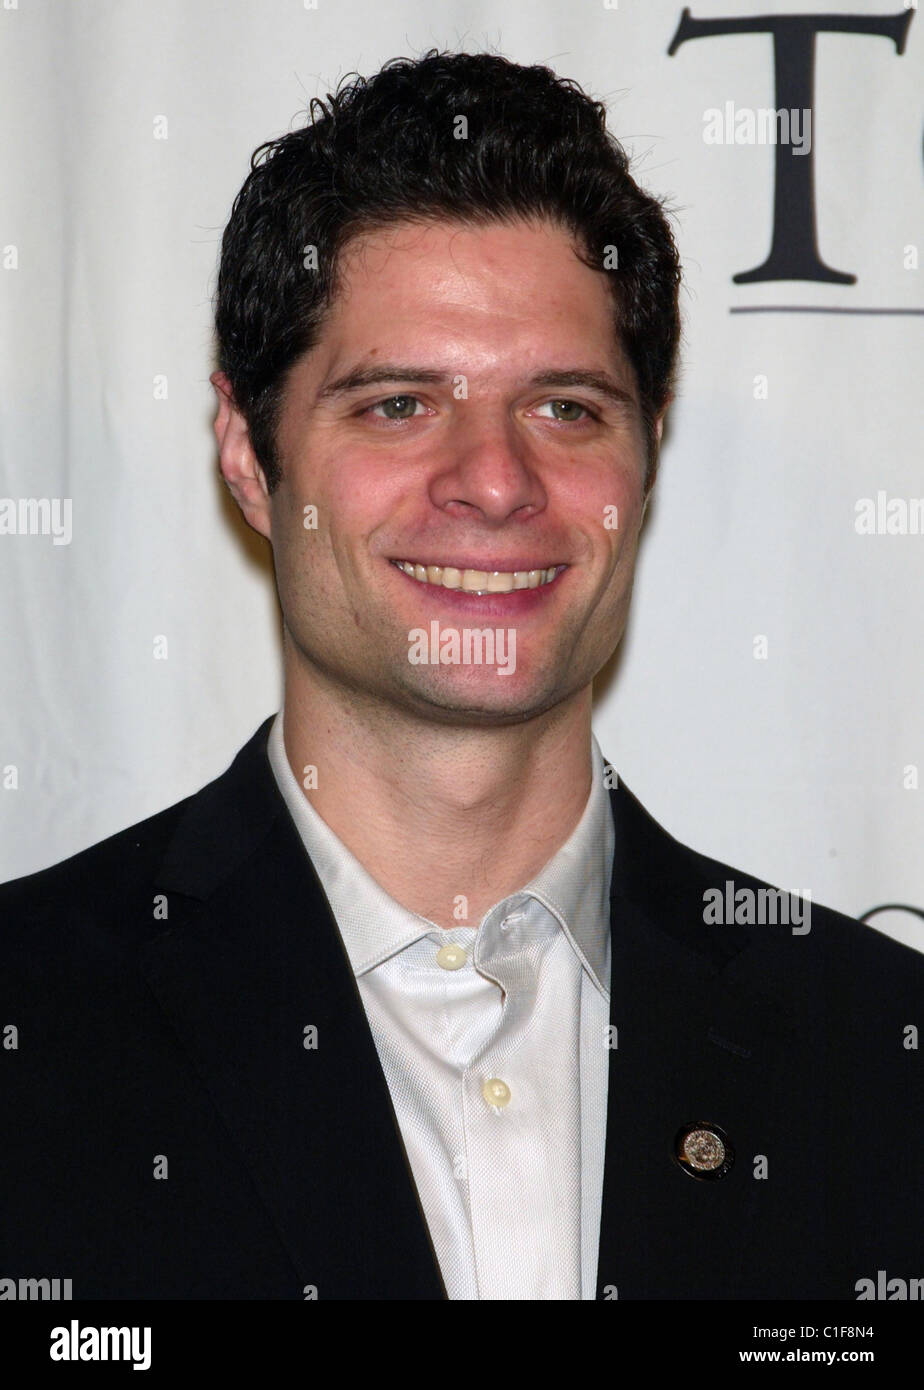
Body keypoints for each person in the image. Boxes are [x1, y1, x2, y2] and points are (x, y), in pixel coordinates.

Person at [1, 49, 921, 1302]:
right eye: (396, 404)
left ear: (647, 454)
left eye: (565, 409)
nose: (494, 481)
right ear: (248, 454)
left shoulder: (876, 1054)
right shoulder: (33, 1021)